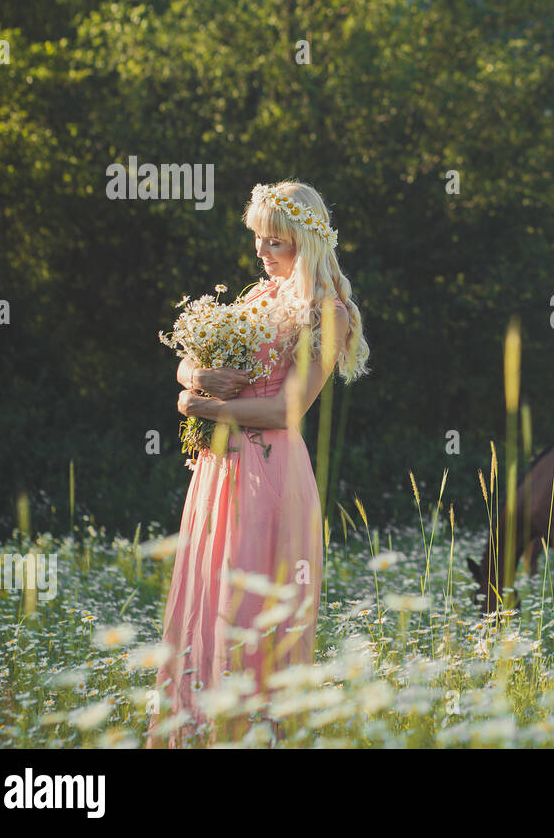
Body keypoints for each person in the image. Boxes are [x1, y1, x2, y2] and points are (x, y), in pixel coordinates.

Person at [145, 181, 370, 747]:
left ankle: (251, 732)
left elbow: (285, 408)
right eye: (259, 240)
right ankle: (197, 731)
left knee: (250, 610)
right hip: (220, 470)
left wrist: (202, 406)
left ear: (307, 242)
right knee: (209, 598)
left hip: (271, 475)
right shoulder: (253, 299)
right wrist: (195, 379)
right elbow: (189, 363)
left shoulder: (328, 311)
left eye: (277, 243)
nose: (263, 253)